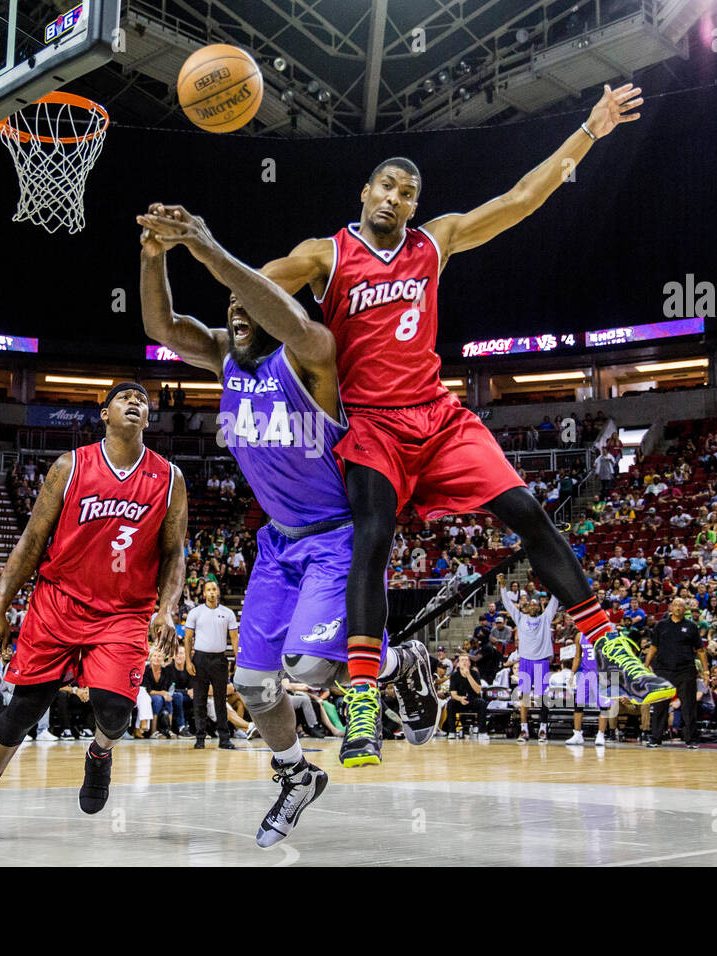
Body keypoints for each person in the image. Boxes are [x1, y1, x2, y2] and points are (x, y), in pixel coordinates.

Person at [256, 86, 671, 766]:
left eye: (408, 191)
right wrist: (204, 259)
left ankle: (614, 648)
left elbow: (520, 199)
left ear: (416, 204)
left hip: (440, 417)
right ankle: (363, 706)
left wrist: (589, 131)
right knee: (372, 540)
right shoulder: (323, 255)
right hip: (371, 427)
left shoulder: (435, 241)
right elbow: (255, 292)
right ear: (364, 192)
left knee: (531, 516)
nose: (396, 197)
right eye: (386, 186)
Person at [138, 202, 441, 766]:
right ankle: (295, 774)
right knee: (253, 686)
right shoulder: (225, 355)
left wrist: (207, 247)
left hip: (335, 536)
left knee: (308, 667)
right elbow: (162, 327)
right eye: (231, 305)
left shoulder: (312, 357)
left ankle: (407, 663)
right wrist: (153, 256)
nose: (235, 312)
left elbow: (293, 322)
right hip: (278, 543)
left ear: (274, 312)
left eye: (249, 303)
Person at [0, 382, 187, 845]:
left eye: (142, 399)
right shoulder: (70, 465)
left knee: (116, 710)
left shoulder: (170, 478)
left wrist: (168, 608)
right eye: (125, 397)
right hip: (58, 603)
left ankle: (100, 754)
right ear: (104, 413)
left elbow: (174, 552)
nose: (136, 402)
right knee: (23, 709)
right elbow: (31, 543)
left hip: (123, 612)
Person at [499, 574, 557, 742]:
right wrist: (503, 586)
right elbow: (507, 604)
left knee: (542, 697)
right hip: (525, 661)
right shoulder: (520, 618)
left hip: (541, 662)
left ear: (539, 607)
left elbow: (554, 600)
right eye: (530, 603)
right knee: (523, 696)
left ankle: (543, 729)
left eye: (535, 604)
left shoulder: (545, 618)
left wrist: (555, 583)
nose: (532, 605)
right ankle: (524, 730)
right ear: (525, 608)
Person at [181, 581, 239, 749]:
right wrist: (188, 660)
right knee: (199, 700)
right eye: (209, 590)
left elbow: (234, 639)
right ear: (204, 593)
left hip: (219, 660)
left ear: (218, 591)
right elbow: (188, 638)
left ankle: (224, 738)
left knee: (221, 700)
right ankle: (200, 738)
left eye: (214, 589)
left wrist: (238, 660)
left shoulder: (227, 613)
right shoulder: (195, 612)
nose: (212, 592)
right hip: (200, 659)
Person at [645, 599, 708, 748]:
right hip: (663, 670)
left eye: (681, 606)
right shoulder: (661, 625)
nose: (678, 608)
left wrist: (706, 671)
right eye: (675, 605)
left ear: (685, 609)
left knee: (689, 706)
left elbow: (700, 650)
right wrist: (646, 665)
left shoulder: (691, 626)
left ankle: (691, 739)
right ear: (670, 607)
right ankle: (656, 738)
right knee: (660, 705)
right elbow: (653, 647)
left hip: (685, 670)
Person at [566, 629, 617, 746]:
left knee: (604, 706)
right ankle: (577, 734)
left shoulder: (606, 634)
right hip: (585, 673)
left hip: (602, 674)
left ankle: (600, 734)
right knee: (578, 704)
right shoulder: (579, 636)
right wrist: (572, 674)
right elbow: (577, 657)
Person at [445, 654, 489, 737]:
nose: (464, 662)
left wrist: (468, 675)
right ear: (459, 663)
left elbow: (478, 690)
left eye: (466, 660)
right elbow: (453, 694)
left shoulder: (475, 674)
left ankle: (482, 732)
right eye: (462, 660)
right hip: (460, 700)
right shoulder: (454, 676)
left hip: (473, 700)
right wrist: (460, 699)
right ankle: (452, 732)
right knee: (450, 703)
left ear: (469, 663)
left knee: (482, 703)